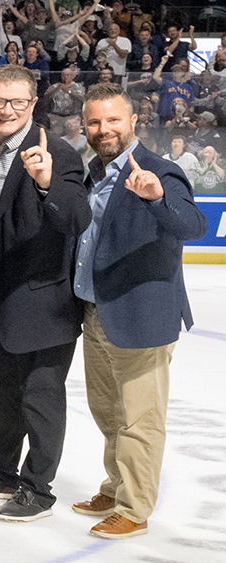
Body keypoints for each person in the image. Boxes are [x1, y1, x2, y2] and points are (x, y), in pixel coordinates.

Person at [0, 67, 91, 522]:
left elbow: (75, 217)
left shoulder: (57, 152)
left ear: (33, 104)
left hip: (42, 299)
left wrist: (46, 181)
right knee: (1, 390)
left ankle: (37, 488)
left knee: (40, 397)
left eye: (18, 103)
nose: (6, 111)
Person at [70, 84, 207, 539]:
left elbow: (192, 225)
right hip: (96, 312)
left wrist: (154, 197)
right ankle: (115, 485)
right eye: (94, 121)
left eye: (112, 120)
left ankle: (134, 507)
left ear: (133, 122)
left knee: (139, 419)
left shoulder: (160, 171)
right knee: (108, 411)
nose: (103, 129)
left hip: (141, 316)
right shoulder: (92, 172)